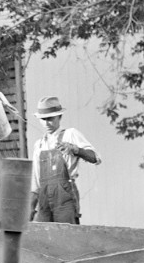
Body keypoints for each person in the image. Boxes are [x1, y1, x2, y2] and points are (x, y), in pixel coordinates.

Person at [30, 95, 101, 223]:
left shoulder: (70, 134)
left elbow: (95, 158)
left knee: (66, 235)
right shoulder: (39, 144)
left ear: (59, 116)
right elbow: (36, 182)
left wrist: (75, 149)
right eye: (43, 119)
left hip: (64, 195)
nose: (46, 123)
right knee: (40, 234)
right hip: (43, 197)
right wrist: (30, 208)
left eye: (50, 118)